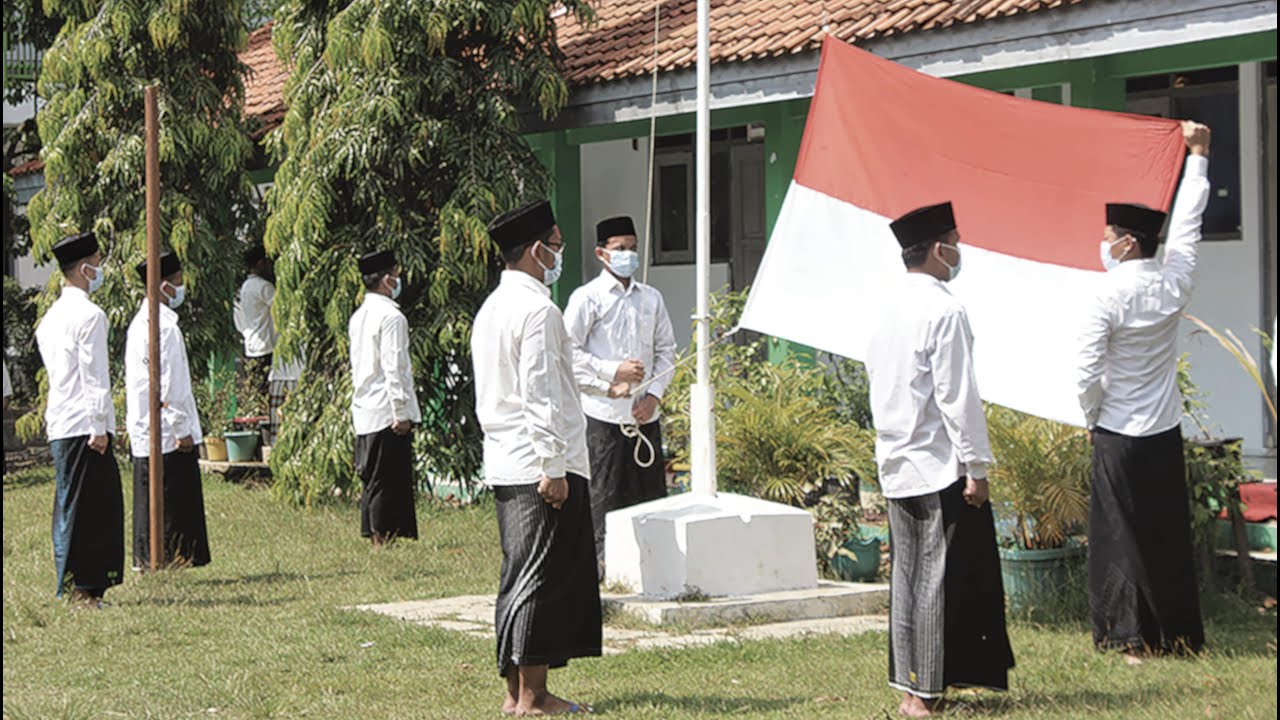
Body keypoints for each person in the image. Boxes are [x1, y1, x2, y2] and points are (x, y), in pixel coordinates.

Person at [865, 202, 1014, 717]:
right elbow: (958, 397)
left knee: (907, 575)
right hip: (934, 460)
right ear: (937, 248)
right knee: (934, 578)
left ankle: (908, 683)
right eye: (955, 240)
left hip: (896, 456)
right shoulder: (944, 310)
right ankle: (923, 694)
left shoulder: (886, 307)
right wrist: (978, 467)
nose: (959, 251)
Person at [1076, 121, 1212, 661]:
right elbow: (1188, 224)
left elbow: (1086, 372)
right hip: (1163, 429)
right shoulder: (1174, 282)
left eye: (1109, 235)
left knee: (1120, 536)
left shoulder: (1105, 296)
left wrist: (1090, 415)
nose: (1104, 243)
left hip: (1117, 430)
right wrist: (1197, 155)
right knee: (1165, 532)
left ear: (1128, 242)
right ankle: (1178, 636)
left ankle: (1132, 641)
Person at [472, 200, 601, 716]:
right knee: (540, 581)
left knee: (519, 575)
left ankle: (514, 693)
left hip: (508, 458)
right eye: (557, 246)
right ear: (536, 250)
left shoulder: (494, 307)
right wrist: (553, 466)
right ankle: (533, 697)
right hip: (538, 463)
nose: (559, 256)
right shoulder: (538, 310)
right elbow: (541, 393)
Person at [563, 215, 677, 578]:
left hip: (644, 416)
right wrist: (613, 372)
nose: (628, 255)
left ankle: (653, 565)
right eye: (620, 249)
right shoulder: (587, 299)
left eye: (632, 248)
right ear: (602, 253)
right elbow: (569, 354)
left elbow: (667, 351)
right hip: (604, 415)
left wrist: (654, 397)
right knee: (604, 494)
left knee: (648, 493)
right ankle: (600, 565)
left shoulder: (651, 298)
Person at [34, 231, 125, 607]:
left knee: (70, 504)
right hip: (85, 425)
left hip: (61, 422)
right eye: (98, 263)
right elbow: (94, 375)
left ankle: (75, 584)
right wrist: (99, 424)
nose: (101, 270)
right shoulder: (90, 315)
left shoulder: (50, 318)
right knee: (93, 510)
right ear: (85, 268)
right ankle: (84, 588)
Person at [125, 251, 212, 570]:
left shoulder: (141, 325)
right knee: (170, 501)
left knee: (151, 496)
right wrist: (182, 429)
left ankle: (149, 557)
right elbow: (169, 383)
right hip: (166, 429)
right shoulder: (163, 328)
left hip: (148, 428)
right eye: (177, 282)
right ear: (163, 286)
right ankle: (168, 557)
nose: (181, 287)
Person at [349, 249, 419, 548]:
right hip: (386, 408)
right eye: (396, 274)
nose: (399, 279)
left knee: (373, 477)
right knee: (387, 479)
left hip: (365, 406)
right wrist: (401, 411)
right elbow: (394, 366)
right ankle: (383, 537)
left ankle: (377, 534)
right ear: (386, 280)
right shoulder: (391, 316)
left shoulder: (360, 316)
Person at [233, 244, 276, 416]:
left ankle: (258, 419)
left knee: (256, 389)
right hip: (266, 345)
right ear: (259, 263)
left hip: (250, 345)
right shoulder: (264, 287)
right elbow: (281, 308)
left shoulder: (243, 288)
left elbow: (239, 318)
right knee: (267, 389)